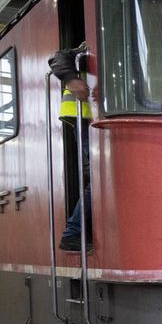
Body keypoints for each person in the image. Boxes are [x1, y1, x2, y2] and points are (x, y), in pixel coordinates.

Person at [57, 75, 92, 252]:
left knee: (98, 179)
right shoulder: (76, 58)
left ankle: (72, 232)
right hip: (85, 114)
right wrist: (70, 79)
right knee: (100, 180)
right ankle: (71, 233)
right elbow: (58, 61)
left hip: (88, 115)